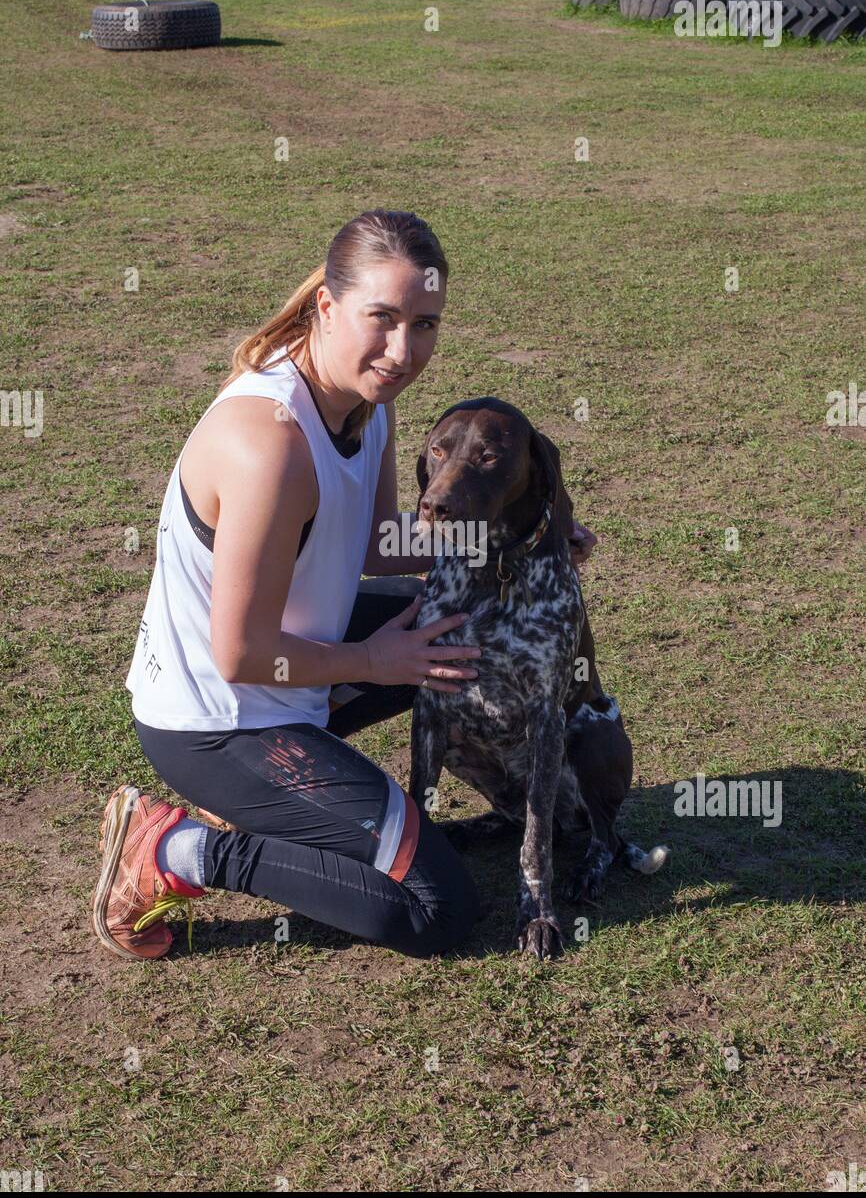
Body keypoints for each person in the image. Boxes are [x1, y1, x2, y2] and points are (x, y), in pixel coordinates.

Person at [91, 209, 596, 963]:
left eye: (424, 325)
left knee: (472, 627)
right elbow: (239, 653)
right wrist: (375, 662)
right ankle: (178, 848)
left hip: (286, 669)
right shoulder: (271, 443)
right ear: (327, 307)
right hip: (220, 720)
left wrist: (531, 535)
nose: (402, 351)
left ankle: (294, 803)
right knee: (436, 910)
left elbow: (372, 544)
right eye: (382, 319)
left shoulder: (367, 402)